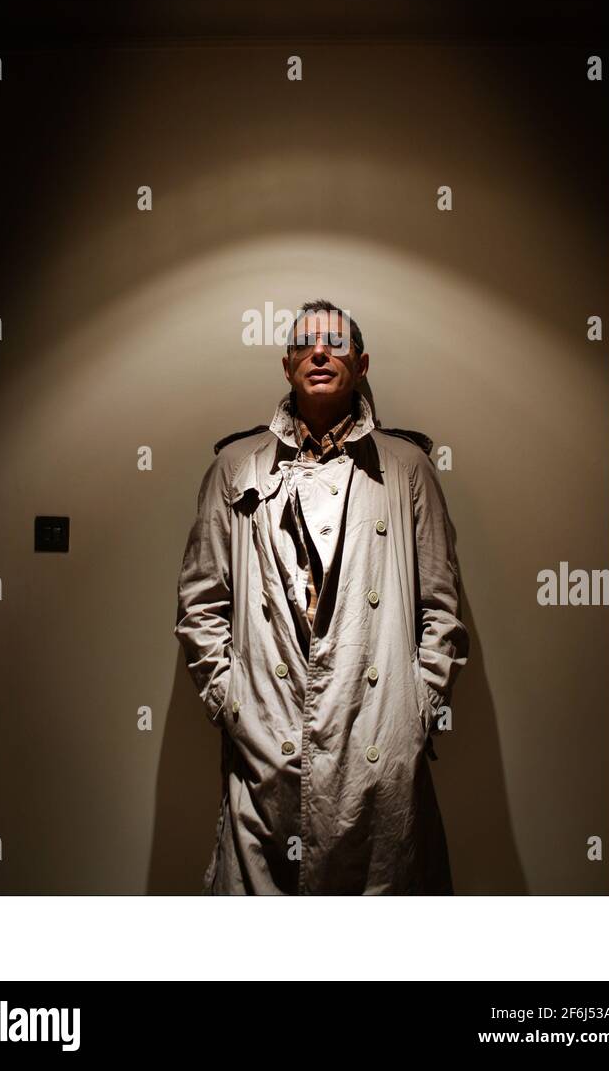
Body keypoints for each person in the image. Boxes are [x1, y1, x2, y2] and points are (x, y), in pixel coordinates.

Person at [175, 299, 469, 895]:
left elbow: (441, 607)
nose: (320, 352)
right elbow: (200, 604)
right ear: (287, 366)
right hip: (267, 741)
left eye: (335, 344)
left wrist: (415, 709)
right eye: (307, 344)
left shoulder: (406, 467)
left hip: (377, 743)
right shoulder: (236, 467)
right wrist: (233, 703)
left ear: (361, 364)